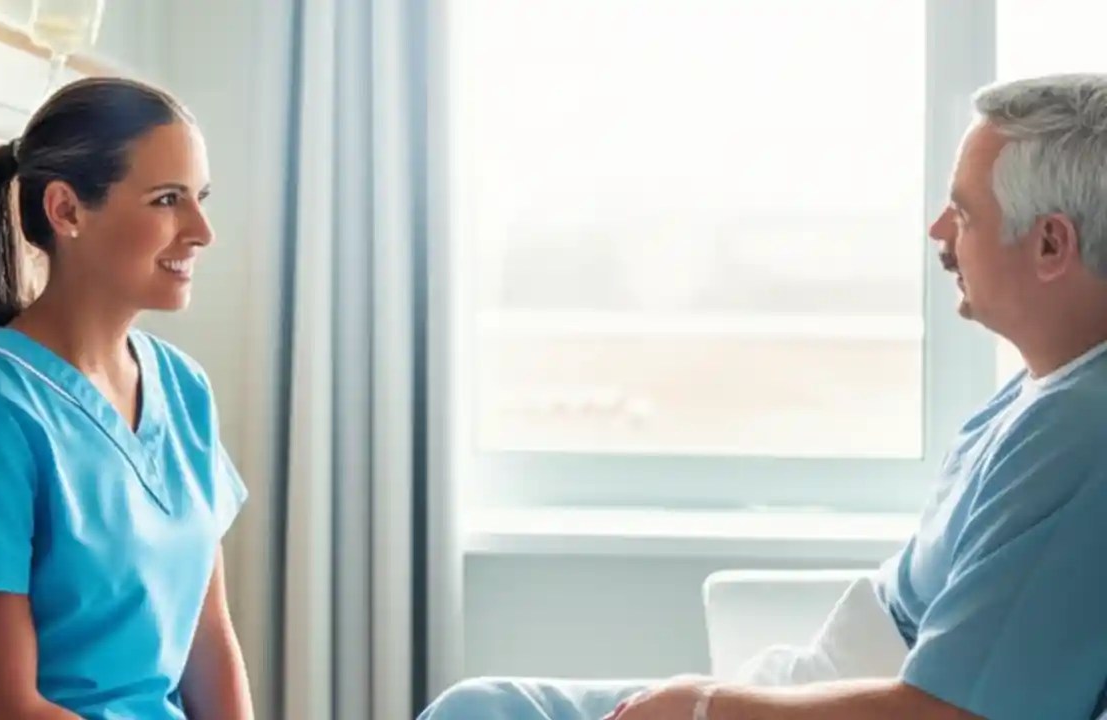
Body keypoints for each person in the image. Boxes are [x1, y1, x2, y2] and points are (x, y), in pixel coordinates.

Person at [421, 72, 1107, 720]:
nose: (938, 233)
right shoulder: (1047, 389)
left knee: (482, 711)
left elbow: (956, 713)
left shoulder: (1081, 429)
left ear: (1050, 243)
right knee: (484, 706)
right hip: (812, 685)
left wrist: (709, 707)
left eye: (962, 213)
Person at [0, 77, 254, 719]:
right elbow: (1, 708)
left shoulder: (185, 390)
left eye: (200, 199)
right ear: (66, 211)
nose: (201, 231)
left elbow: (208, 642)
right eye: (167, 200)